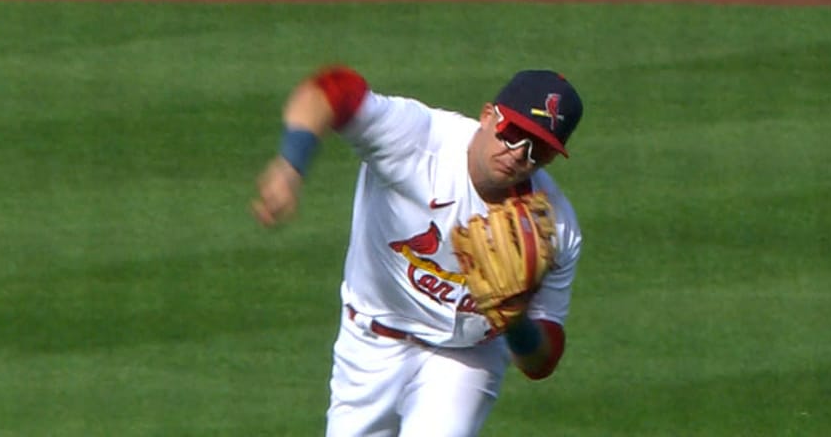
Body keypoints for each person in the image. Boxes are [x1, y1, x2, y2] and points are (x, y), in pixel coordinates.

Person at [250, 66, 584, 437]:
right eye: (513, 133)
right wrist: (290, 166)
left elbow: (543, 360)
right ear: (487, 116)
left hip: (463, 359)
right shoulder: (417, 138)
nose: (520, 154)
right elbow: (329, 90)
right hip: (370, 339)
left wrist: (515, 321)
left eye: (539, 149)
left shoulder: (555, 228)